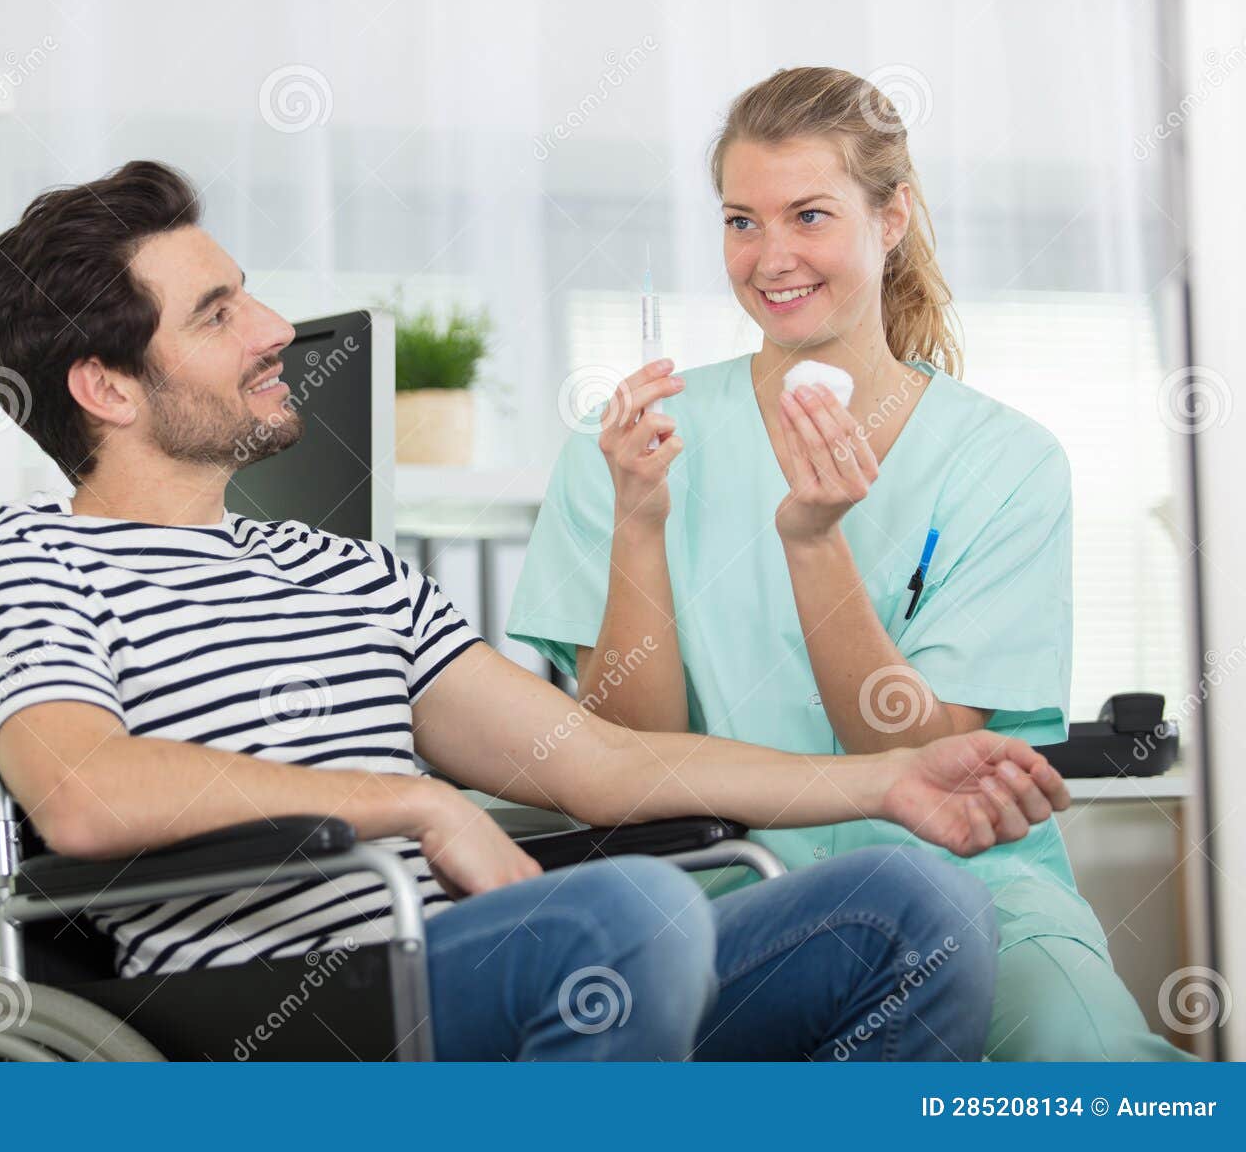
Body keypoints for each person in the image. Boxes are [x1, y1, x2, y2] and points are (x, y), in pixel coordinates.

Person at [0, 158, 1071, 1062]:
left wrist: (888, 781)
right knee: (627, 911)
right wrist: (413, 804)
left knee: (913, 908)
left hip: (453, 965)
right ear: (106, 386)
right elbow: (83, 794)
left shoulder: (343, 570)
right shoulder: (28, 557)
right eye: (218, 313)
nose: (274, 326)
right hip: (261, 1009)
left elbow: (603, 765)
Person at [506, 66, 1189, 1060]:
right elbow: (634, 753)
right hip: (732, 892)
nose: (770, 256)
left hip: (969, 880)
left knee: (1083, 1066)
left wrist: (813, 542)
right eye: (741, 221)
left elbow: (924, 754)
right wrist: (640, 526)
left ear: (891, 215)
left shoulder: (1004, 461)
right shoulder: (629, 449)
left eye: (809, 215)